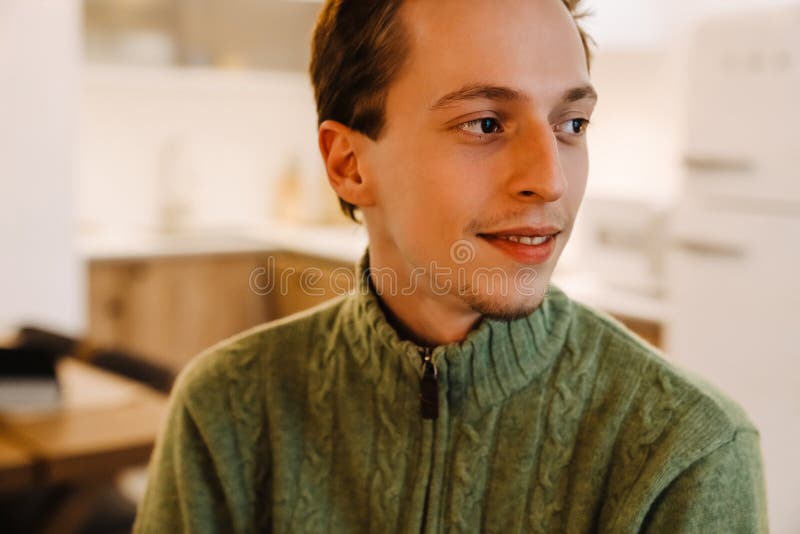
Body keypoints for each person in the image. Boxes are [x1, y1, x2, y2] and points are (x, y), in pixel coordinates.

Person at [133, 0, 768, 532]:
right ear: (349, 164)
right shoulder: (227, 412)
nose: (550, 181)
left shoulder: (687, 452)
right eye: (485, 123)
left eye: (572, 123)